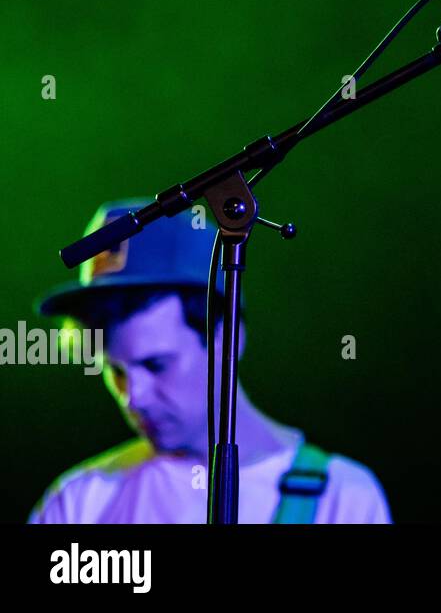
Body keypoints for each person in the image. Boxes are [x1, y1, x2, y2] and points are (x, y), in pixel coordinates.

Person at [28, 198, 392, 524]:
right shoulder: (79, 503)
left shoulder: (343, 500)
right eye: (115, 370)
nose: (132, 397)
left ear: (226, 337)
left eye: (156, 365)